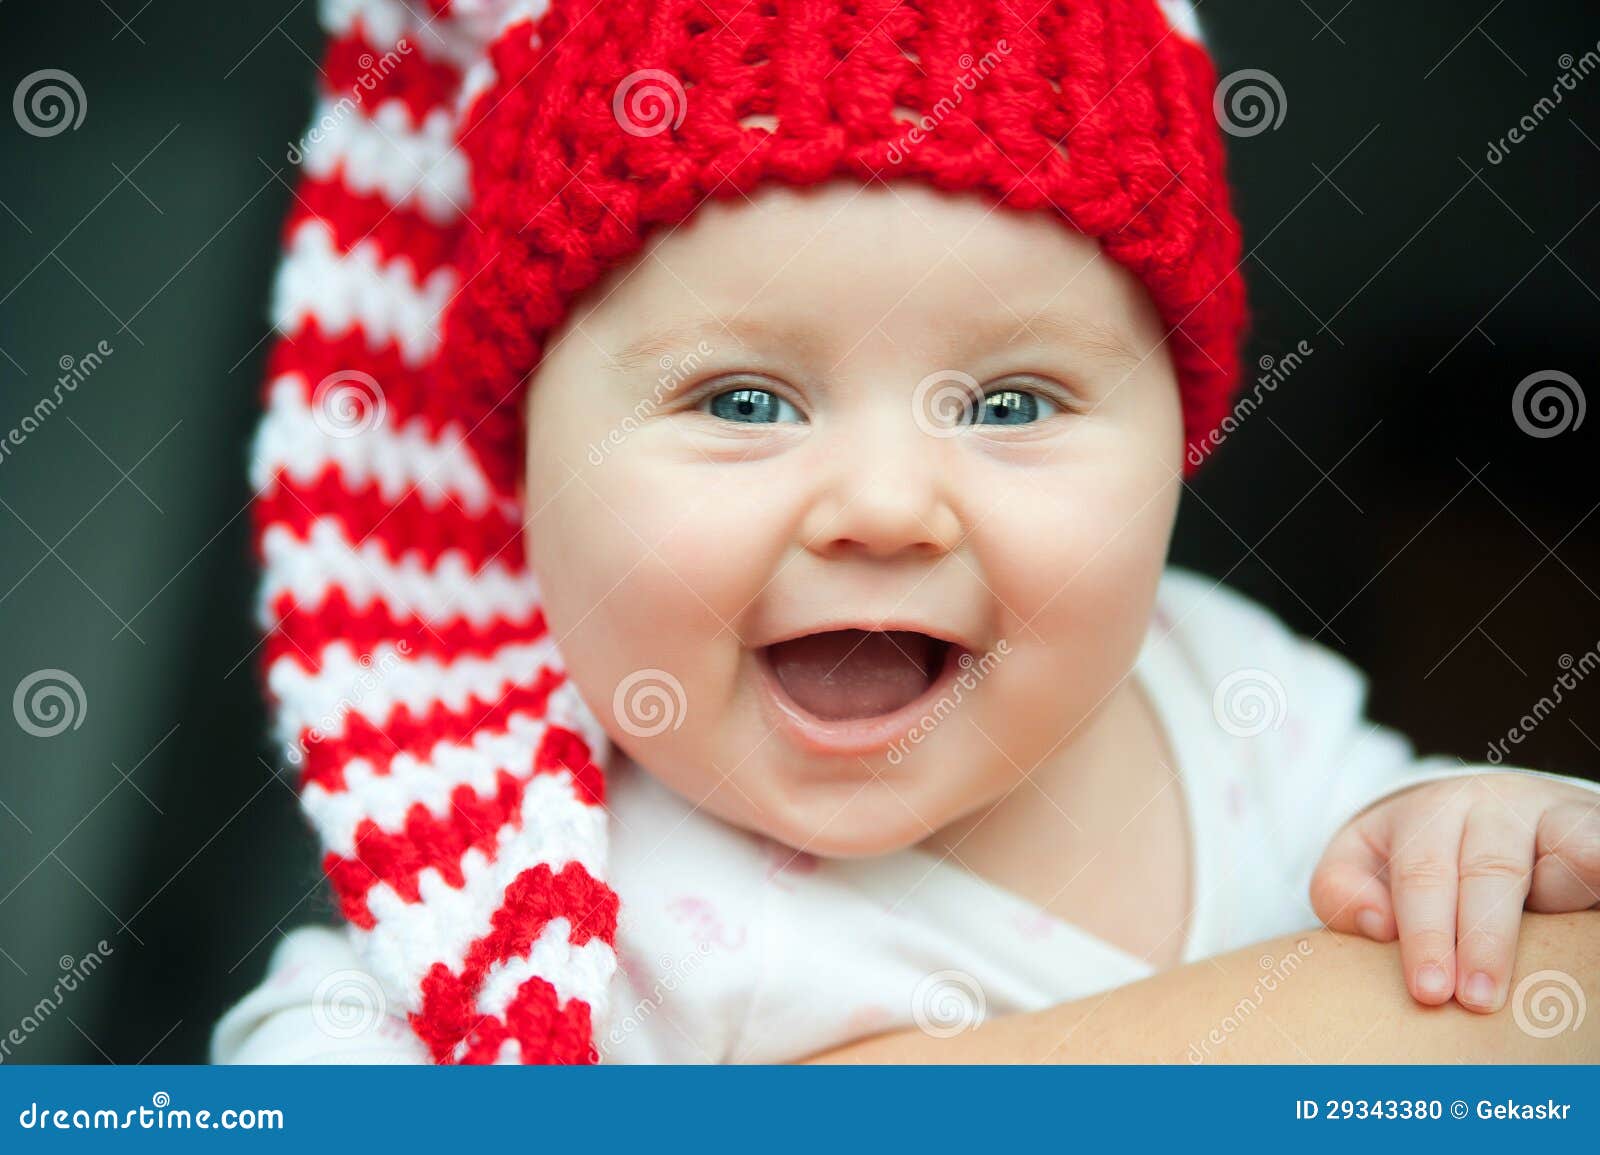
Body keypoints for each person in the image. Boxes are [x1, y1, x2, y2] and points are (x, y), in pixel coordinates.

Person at [215, 0, 1599, 1064]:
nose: (884, 506)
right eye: (743, 400)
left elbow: (1439, 871)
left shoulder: (1235, 699)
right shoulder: (560, 906)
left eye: (1010, 403)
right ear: (523, 471)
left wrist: (1478, 832)